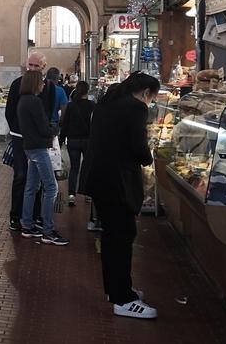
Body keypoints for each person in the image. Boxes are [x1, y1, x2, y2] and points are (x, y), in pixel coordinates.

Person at [80, 72, 160, 319]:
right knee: (122, 236)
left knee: (113, 235)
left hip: (99, 178)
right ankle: (123, 299)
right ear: (146, 93)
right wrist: (149, 156)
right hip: (117, 182)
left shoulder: (107, 102)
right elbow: (138, 148)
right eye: (152, 98)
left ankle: (115, 289)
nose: (150, 103)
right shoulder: (135, 108)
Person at [16, 70, 69, 246]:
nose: (43, 85)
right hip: (39, 148)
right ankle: (48, 231)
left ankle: (27, 226)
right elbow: (43, 128)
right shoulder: (34, 102)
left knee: (31, 187)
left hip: (29, 147)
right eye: (41, 82)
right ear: (34, 83)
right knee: (51, 188)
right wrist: (55, 129)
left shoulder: (23, 101)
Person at [5, 52, 46, 231]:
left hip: (38, 141)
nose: (33, 69)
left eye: (36, 66)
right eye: (30, 65)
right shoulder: (16, 85)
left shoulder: (48, 87)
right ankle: (16, 215)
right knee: (21, 175)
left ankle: (35, 215)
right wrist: (17, 131)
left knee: (38, 179)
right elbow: (9, 111)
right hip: (20, 139)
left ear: (43, 67)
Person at [59, 81, 94, 207]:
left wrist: (61, 140)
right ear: (87, 91)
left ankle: (71, 195)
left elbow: (65, 124)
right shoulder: (92, 105)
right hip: (87, 140)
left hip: (73, 140)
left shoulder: (71, 106)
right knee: (87, 167)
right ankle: (88, 194)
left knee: (74, 168)